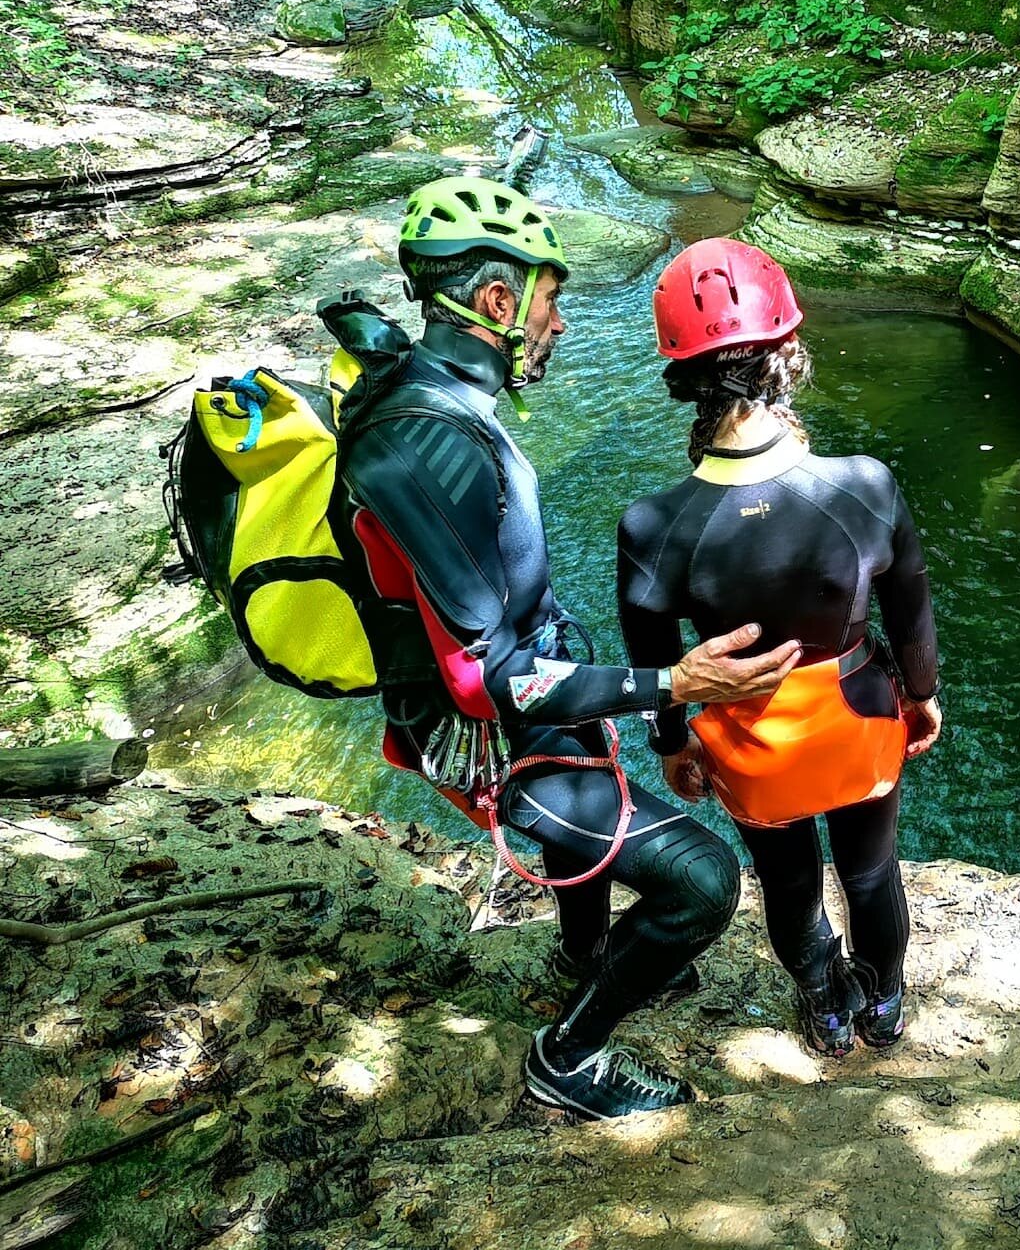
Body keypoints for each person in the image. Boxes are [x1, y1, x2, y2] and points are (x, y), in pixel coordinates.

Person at [340, 179, 801, 1119]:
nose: (559, 323)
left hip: (526, 686)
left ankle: (586, 958)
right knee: (703, 885)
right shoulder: (430, 447)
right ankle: (570, 1055)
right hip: (491, 734)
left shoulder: (428, 392)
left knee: (599, 798)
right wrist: (674, 680)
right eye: (552, 299)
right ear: (498, 304)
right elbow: (494, 684)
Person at [617, 238, 943, 1058]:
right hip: (857, 714)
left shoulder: (652, 527)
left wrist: (671, 744)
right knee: (870, 871)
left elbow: (657, 661)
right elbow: (910, 605)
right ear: (787, 355)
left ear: (682, 378)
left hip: (748, 736)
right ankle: (886, 1003)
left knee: (788, 880)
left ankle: (826, 1008)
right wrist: (922, 692)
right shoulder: (865, 484)